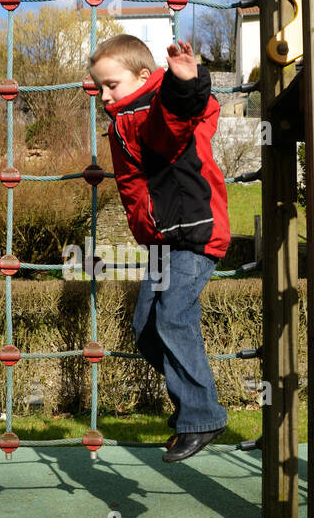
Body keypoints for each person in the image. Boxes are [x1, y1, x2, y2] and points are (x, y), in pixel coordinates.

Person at [89, 33, 230, 463]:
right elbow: (133, 186)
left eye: (112, 85)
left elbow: (169, 129)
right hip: (162, 240)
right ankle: (192, 403)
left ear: (143, 77)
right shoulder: (120, 122)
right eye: (99, 87)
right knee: (146, 329)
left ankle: (202, 415)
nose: (104, 94)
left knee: (172, 317)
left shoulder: (152, 107)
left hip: (195, 231)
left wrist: (183, 83)